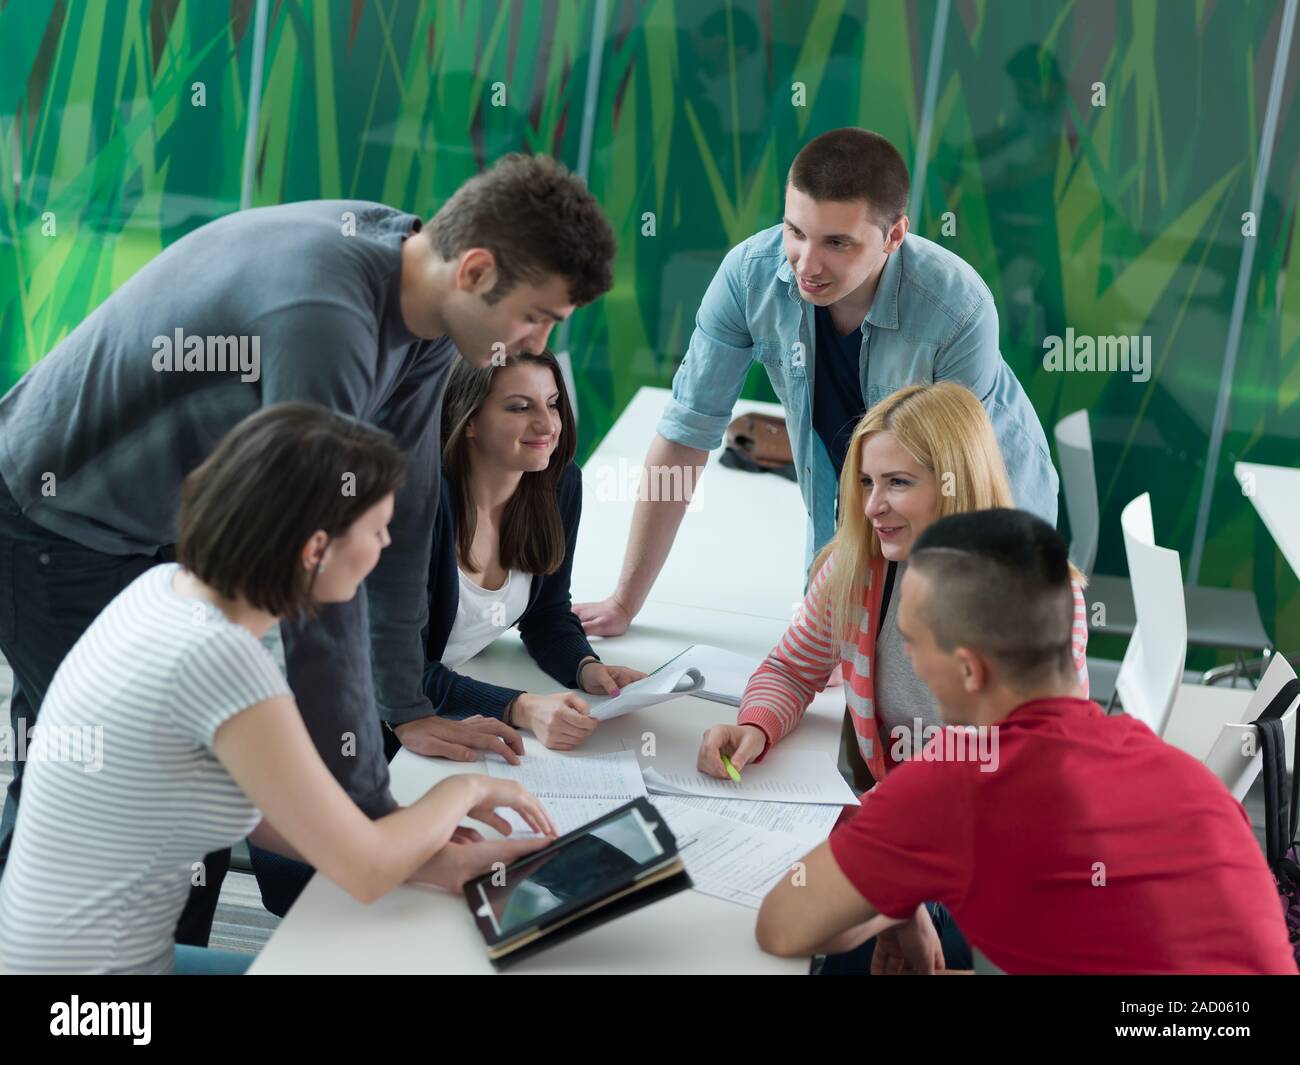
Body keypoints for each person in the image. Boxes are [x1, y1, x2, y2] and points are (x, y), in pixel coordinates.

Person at [0, 152, 615, 943]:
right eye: (537, 317)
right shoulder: (325, 318)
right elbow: (322, 581)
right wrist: (378, 815)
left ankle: (166, 953)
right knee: (107, 784)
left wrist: (408, 708)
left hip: (163, 529)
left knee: (192, 774)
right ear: (475, 269)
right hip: (52, 521)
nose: (533, 341)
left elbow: (401, 528)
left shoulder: (423, 303)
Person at [0, 404, 556, 974]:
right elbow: (364, 873)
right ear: (315, 549)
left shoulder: (160, 590)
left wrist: (419, 857)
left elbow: (273, 812)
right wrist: (459, 792)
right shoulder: (226, 664)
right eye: (376, 529)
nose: (387, 545)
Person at [755, 509, 1299, 975]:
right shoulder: (1180, 773)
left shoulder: (960, 779)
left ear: (969, 670)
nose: (908, 659)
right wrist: (899, 899)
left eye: (912, 642)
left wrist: (894, 895)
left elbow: (782, 927)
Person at [577, 127, 1056, 638]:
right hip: (871, 508)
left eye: (837, 243)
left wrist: (868, 631)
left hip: (982, 515)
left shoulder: (957, 308)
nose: (806, 264)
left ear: (894, 235)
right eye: (795, 231)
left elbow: (952, 487)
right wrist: (625, 602)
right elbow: (683, 437)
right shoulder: (748, 277)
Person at [696, 382, 1089, 972]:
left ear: (956, 483)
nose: (873, 505)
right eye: (866, 482)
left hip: (991, 859)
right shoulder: (862, 563)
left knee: (813, 931)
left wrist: (891, 874)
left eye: (898, 483)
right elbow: (791, 667)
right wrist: (755, 725)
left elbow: (1006, 771)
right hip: (901, 831)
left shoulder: (1035, 596)